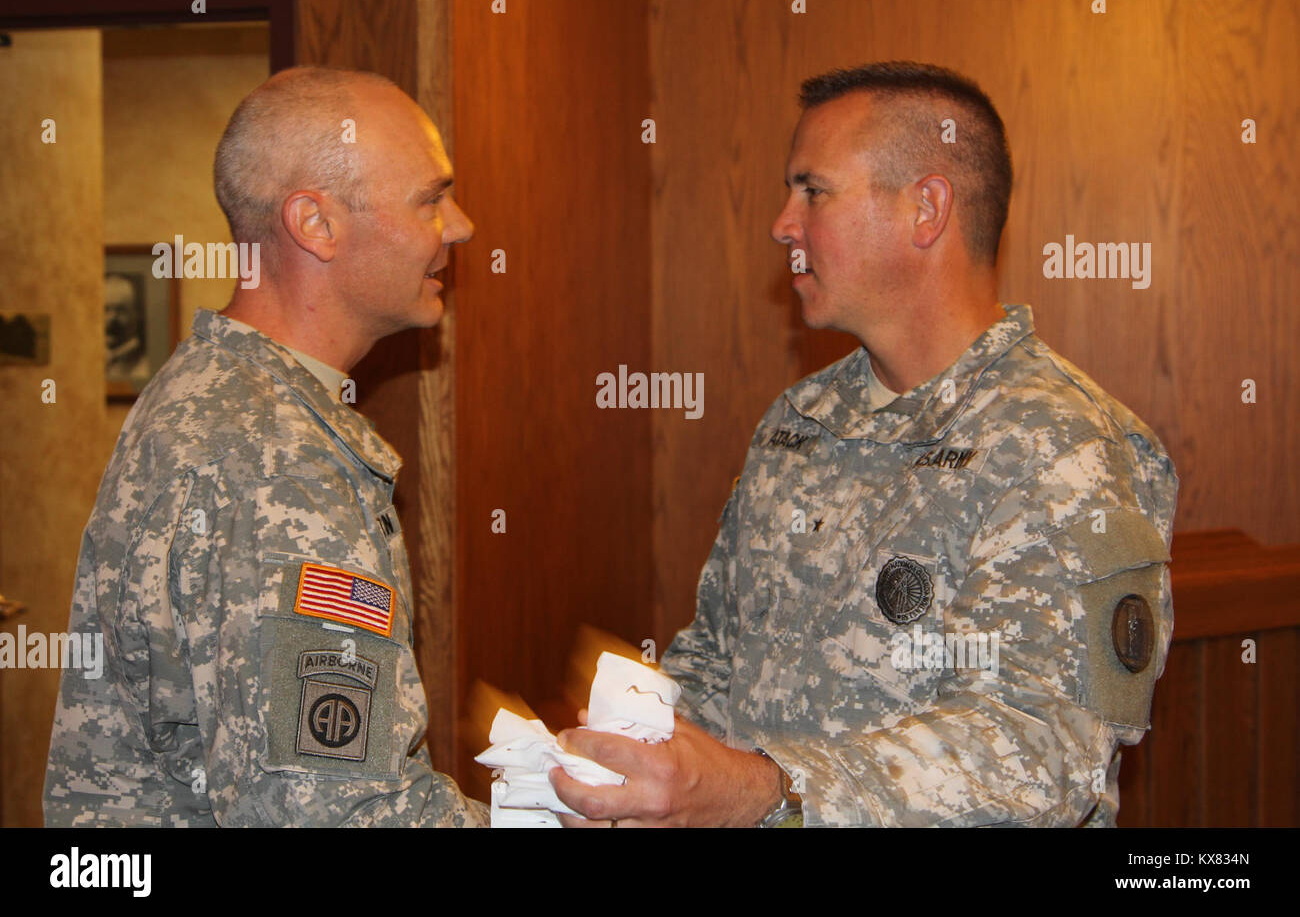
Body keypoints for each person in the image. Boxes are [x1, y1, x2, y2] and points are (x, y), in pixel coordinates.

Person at [550, 61, 1178, 827]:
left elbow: (1040, 753)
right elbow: (720, 656)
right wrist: (633, 752)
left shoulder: (1066, 445)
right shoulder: (799, 420)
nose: (784, 223)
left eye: (813, 191)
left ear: (926, 208)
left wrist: (768, 790)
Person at [45, 66, 485, 826]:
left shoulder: (219, 397)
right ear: (315, 224)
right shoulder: (270, 458)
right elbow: (334, 814)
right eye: (430, 199)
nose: (461, 225)